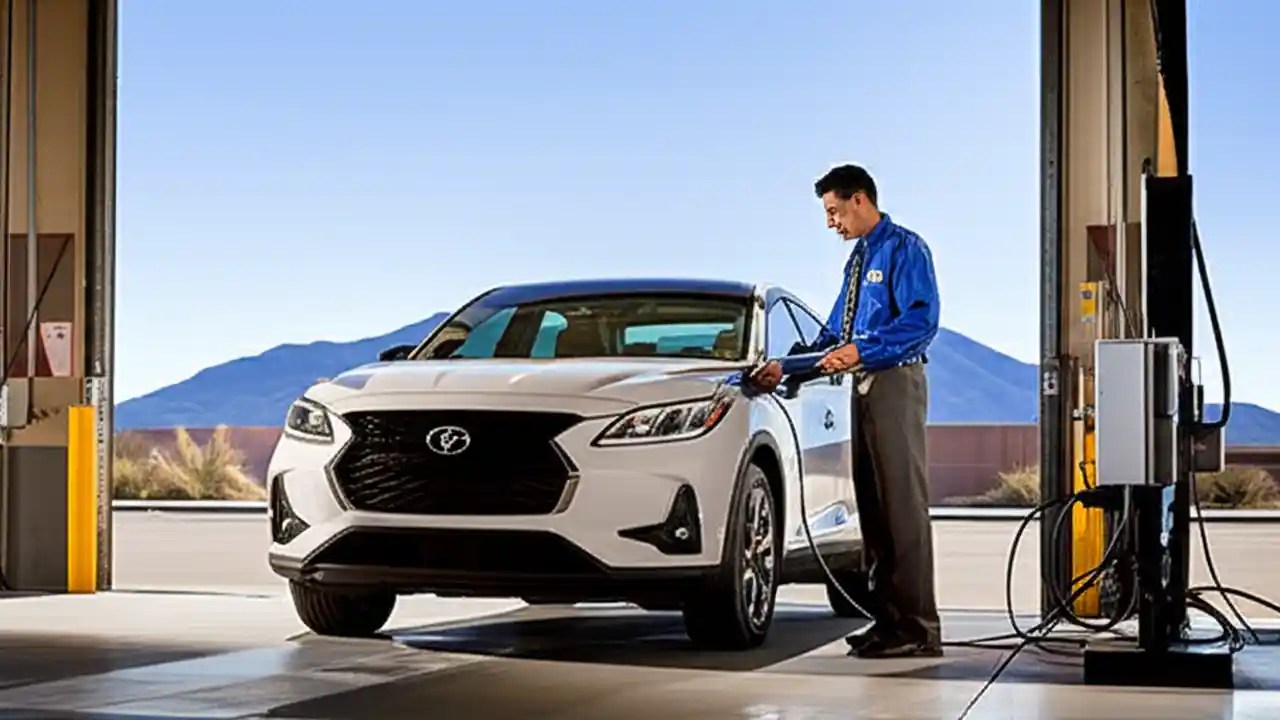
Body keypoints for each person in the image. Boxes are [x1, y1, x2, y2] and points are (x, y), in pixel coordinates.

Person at [749, 163, 943, 658]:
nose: (831, 222)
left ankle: (918, 630)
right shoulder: (857, 262)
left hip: (895, 383)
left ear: (860, 200)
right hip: (860, 389)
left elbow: (921, 321)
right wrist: (786, 367)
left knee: (903, 510)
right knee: (874, 512)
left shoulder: (905, 248)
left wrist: (862, 351)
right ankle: (887, 623)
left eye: (835, 211)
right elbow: (834, 336)